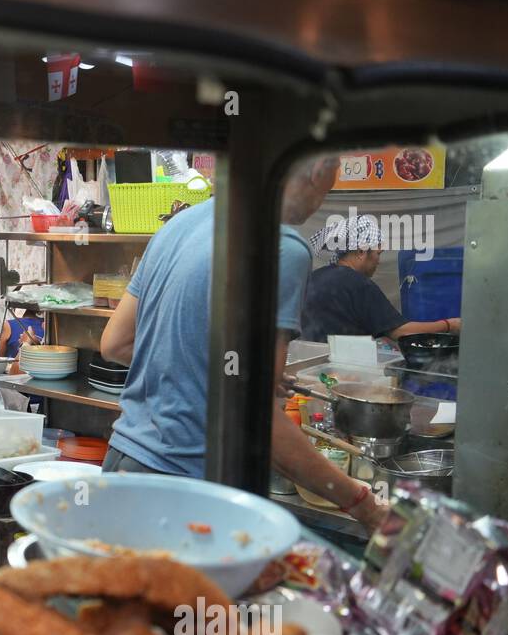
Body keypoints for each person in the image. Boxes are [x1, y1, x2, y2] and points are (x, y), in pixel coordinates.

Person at [99, 155, 387, 530]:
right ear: (318, 170)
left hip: (122, 463)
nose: (329, 190)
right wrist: (362, 504)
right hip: (185, 492)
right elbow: (262, 426)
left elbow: (115, 343)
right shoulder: (281, 248)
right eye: (333, 176)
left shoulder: (178, 226)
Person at [299, 215, 461, 343]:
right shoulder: (358, 284)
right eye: (378, 253)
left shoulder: (315, 276)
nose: (378, 260)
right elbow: (401, 332)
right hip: (346, 369)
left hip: (313, 365)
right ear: (361, 252)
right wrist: (449, 325)